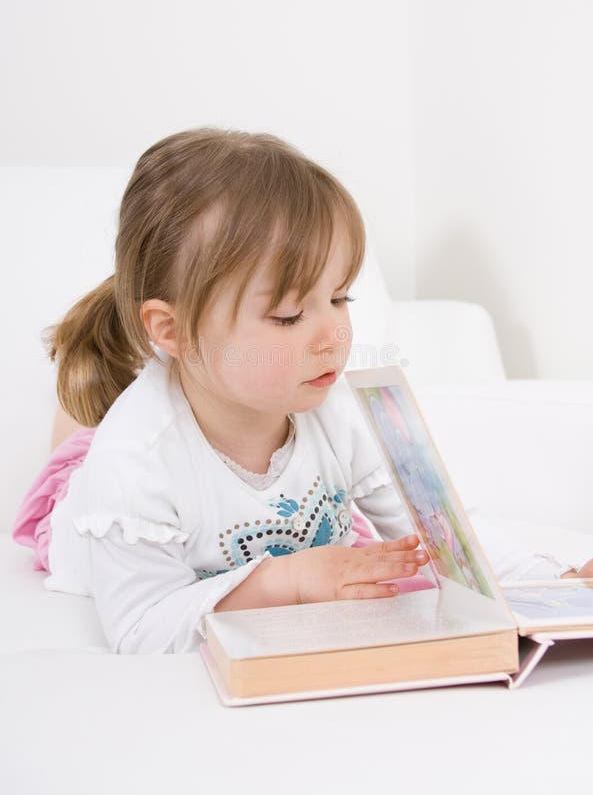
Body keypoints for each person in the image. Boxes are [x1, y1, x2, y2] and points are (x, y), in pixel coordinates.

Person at [11, 127, 591, 655]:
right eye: (289, 316)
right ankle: (83, 403)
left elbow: (442, 535)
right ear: (173, 330)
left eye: (340, 298)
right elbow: (141, 627)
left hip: (272, 515)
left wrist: (555, 576)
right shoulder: (132, 466)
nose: (334, 335)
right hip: (104, 511)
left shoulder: (337, 410)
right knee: (81, 457)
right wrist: (284, 582)